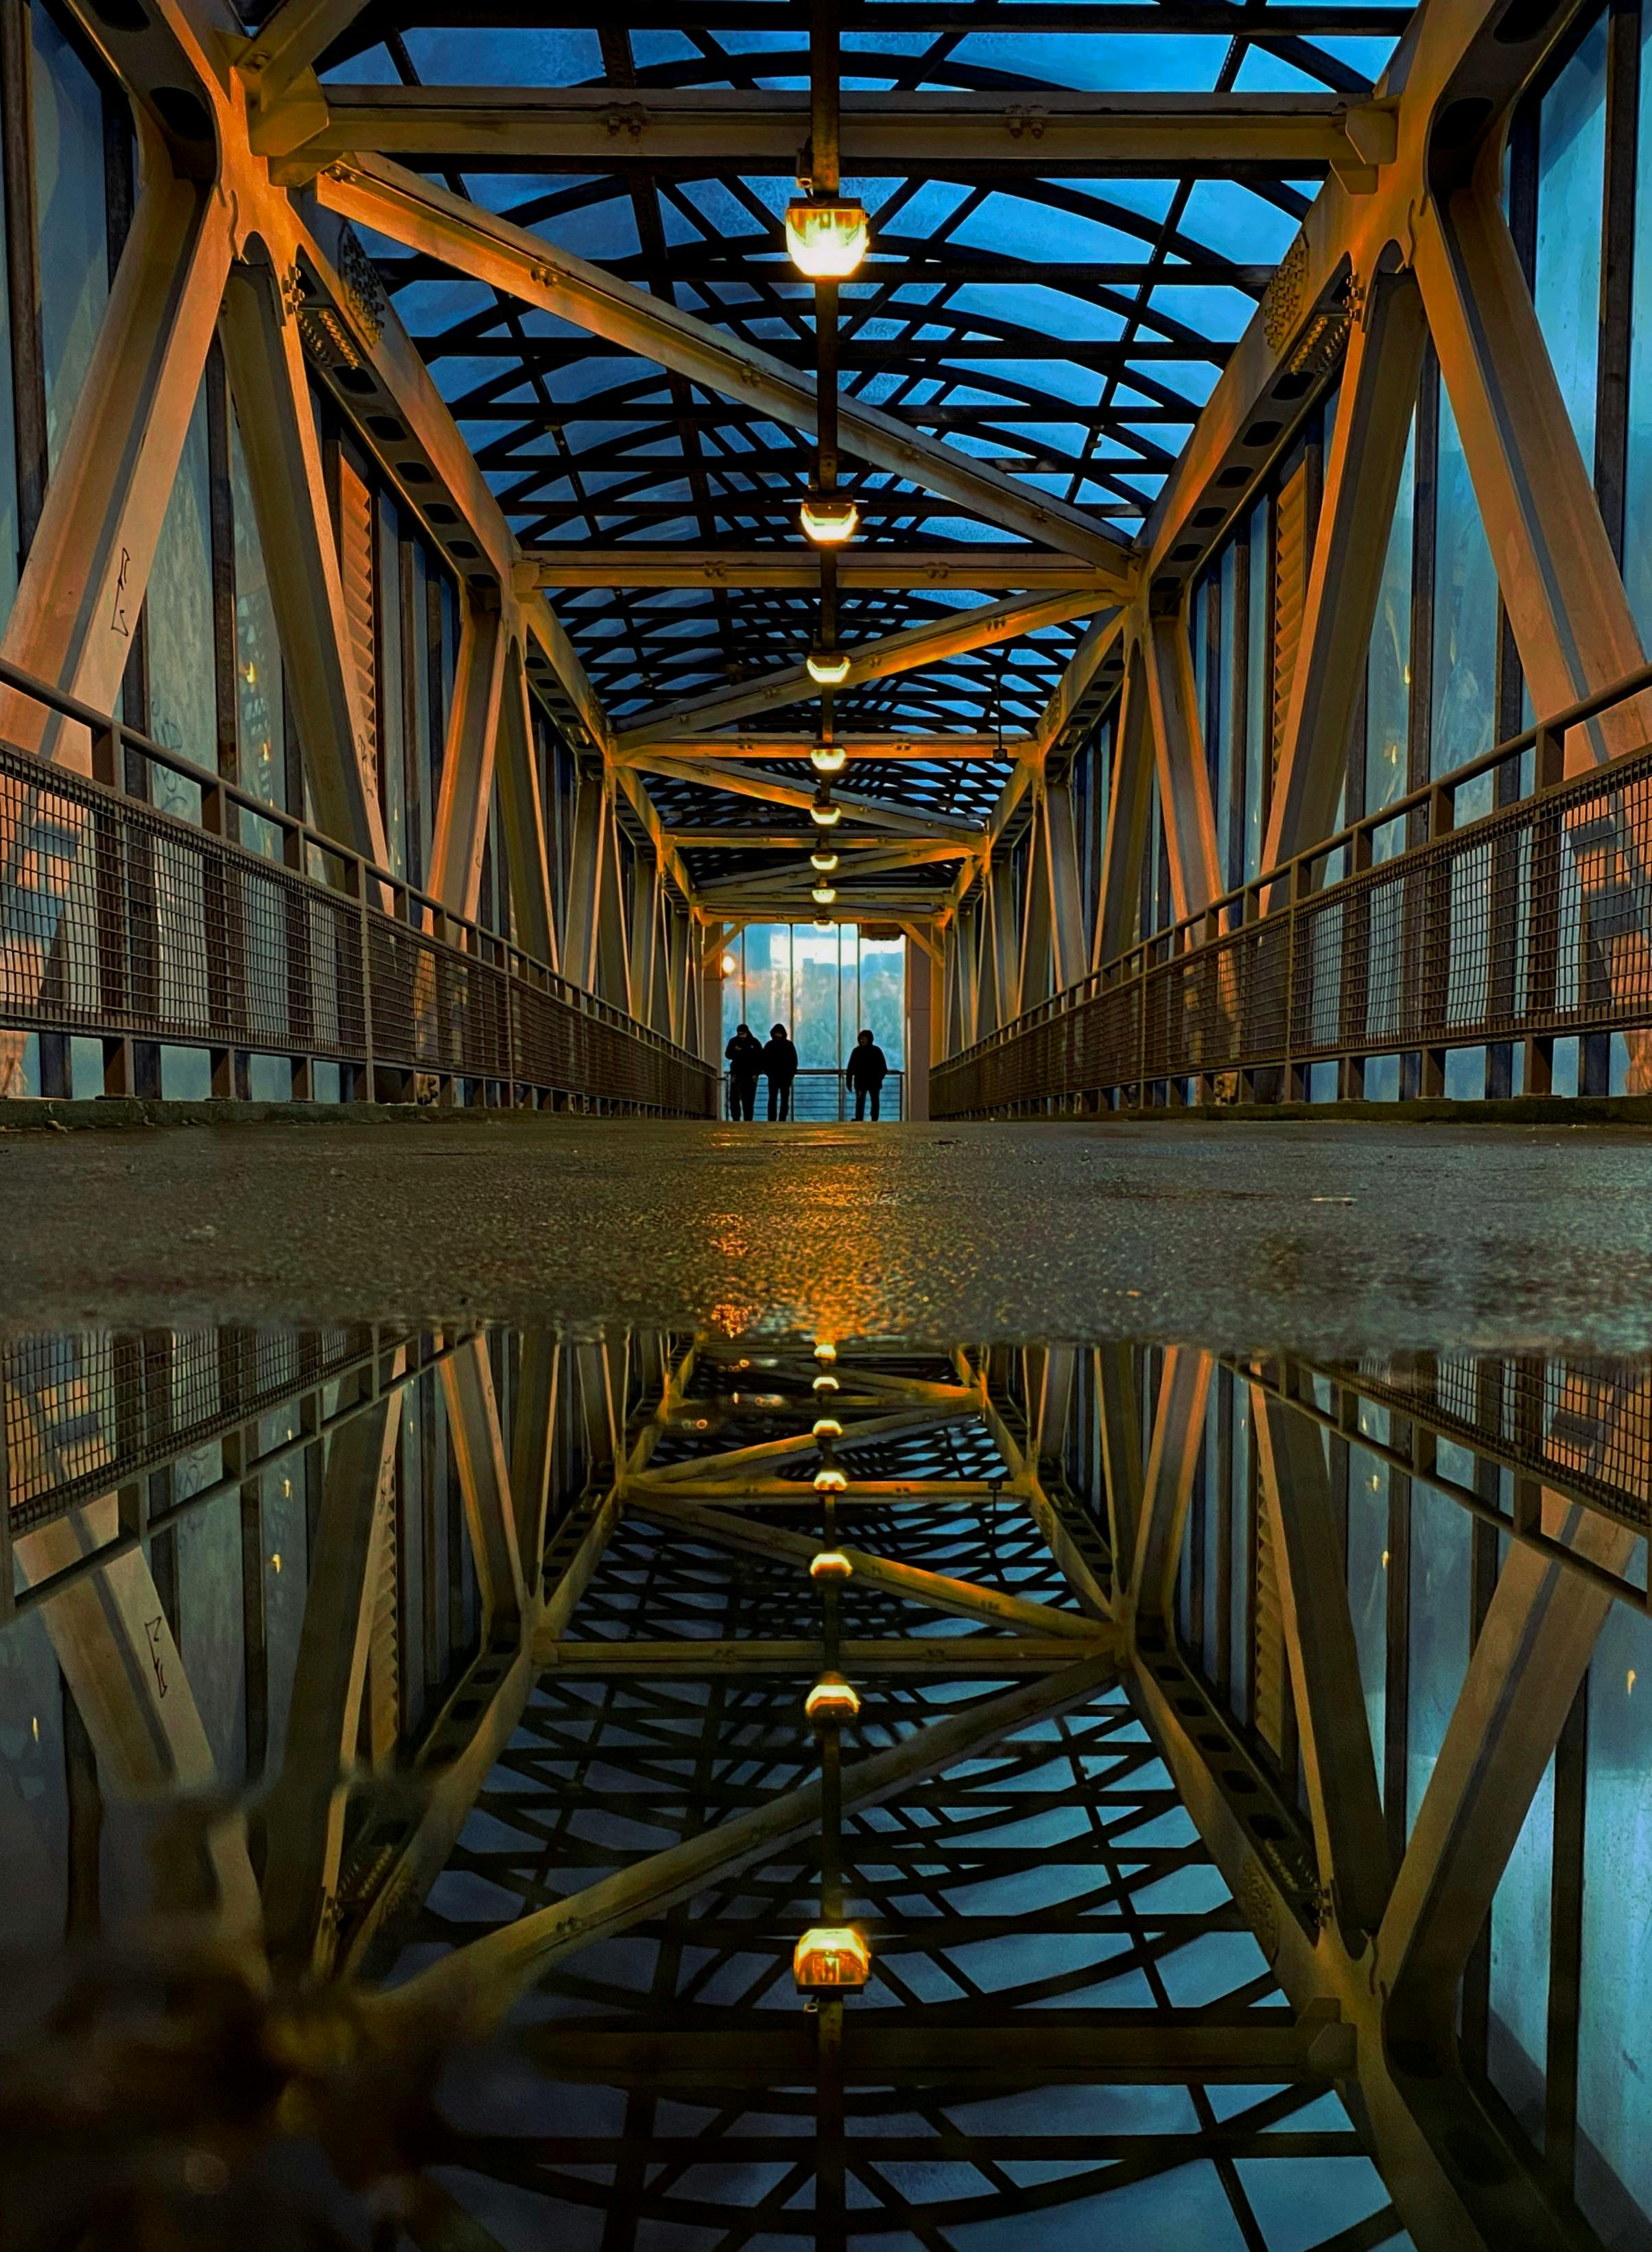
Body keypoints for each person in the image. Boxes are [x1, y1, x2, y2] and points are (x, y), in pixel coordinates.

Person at [845, 1028, 890, 1121]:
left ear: (869, 1039)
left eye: (864, 1038)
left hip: (865, 1082)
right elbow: (851, 1068)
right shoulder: (875, 1051)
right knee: (866, 1102)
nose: (862, 1041)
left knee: (870, 1102)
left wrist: (849, 1081)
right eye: (861, 1039)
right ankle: (867, 1119)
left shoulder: (858, 1051)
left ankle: (868, 1119)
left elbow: (850, 1068)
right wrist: (879, 1078)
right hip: (868, 1082)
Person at [762, 1021, 799, 1121]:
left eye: (779, 1033)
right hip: (780, 1077)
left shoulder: (770, 1045)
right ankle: (779, 1120)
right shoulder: (788, 1045)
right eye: (776, 1033)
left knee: (778, 1100)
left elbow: (794, 1062)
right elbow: (794, 1062)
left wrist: (769, 1073)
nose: (778, 1035)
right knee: (778, 1100)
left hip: (779, 1077)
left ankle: (775, 1120)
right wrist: (790, 1075)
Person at [724, 1023, 762, 1120]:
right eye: (740, 1034)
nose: (741, 1036)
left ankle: (747, 1119)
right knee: (734, 1098)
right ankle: (736, 1118)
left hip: (749, 1075)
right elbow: (728, 1054)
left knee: (748, 1099)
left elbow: (760, 1058)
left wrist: (756, 1073)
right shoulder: (734, 1041)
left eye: (743, 1034)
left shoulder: (754, 1042)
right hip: (737, 1074)